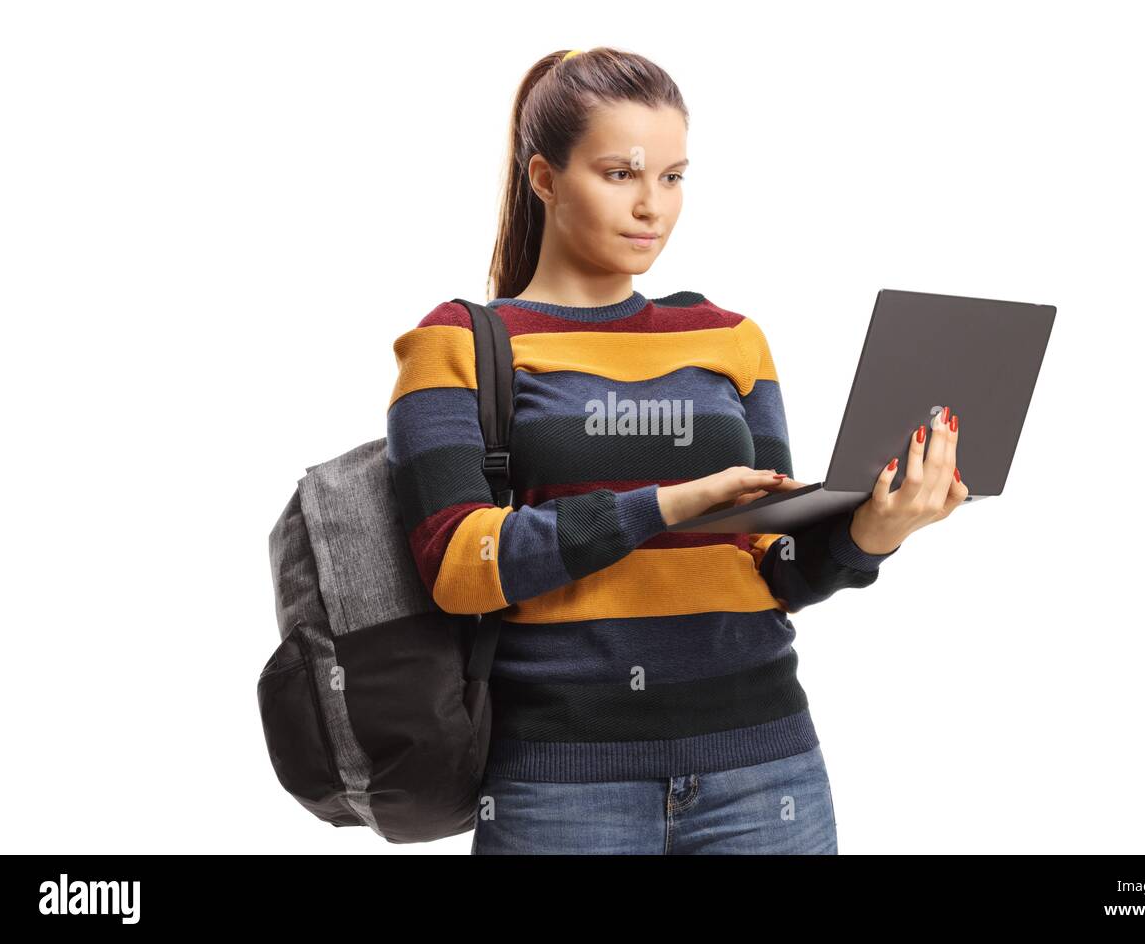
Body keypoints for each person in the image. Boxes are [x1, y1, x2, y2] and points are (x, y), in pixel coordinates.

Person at [385, 47, 968, 854]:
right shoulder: (459, 343)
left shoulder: (730, 339)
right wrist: (669, 504)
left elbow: (776, 566)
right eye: (620, 174)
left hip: (766, 774)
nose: (651, 206)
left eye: (672, 176)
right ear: (545, 179)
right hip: (563, 787)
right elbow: (458, 564)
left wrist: (877, 529)